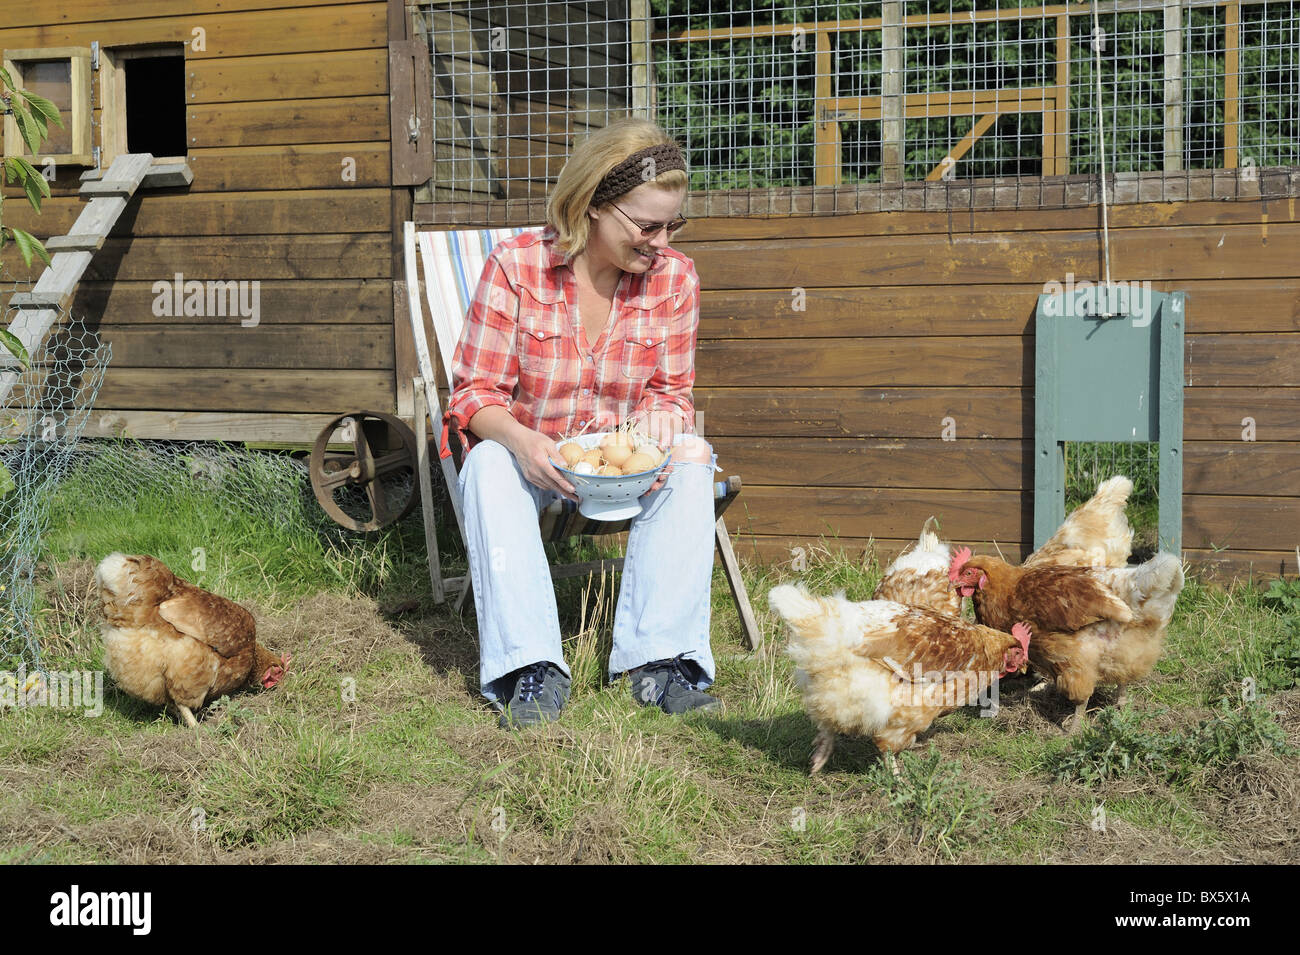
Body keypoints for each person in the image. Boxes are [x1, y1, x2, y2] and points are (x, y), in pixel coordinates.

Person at [445, 117, 721, 729]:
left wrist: (654, 432)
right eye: (646, 225)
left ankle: (659, 663)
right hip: (533, 464)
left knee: (694, 456)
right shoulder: (517, 268)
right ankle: (531, 668)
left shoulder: (675, 279)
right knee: (488, 460)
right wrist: (521, 441)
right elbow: (474, 395)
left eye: (673, 225)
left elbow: (673, 394)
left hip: (623, 467)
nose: (661, 241)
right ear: (593, 204)